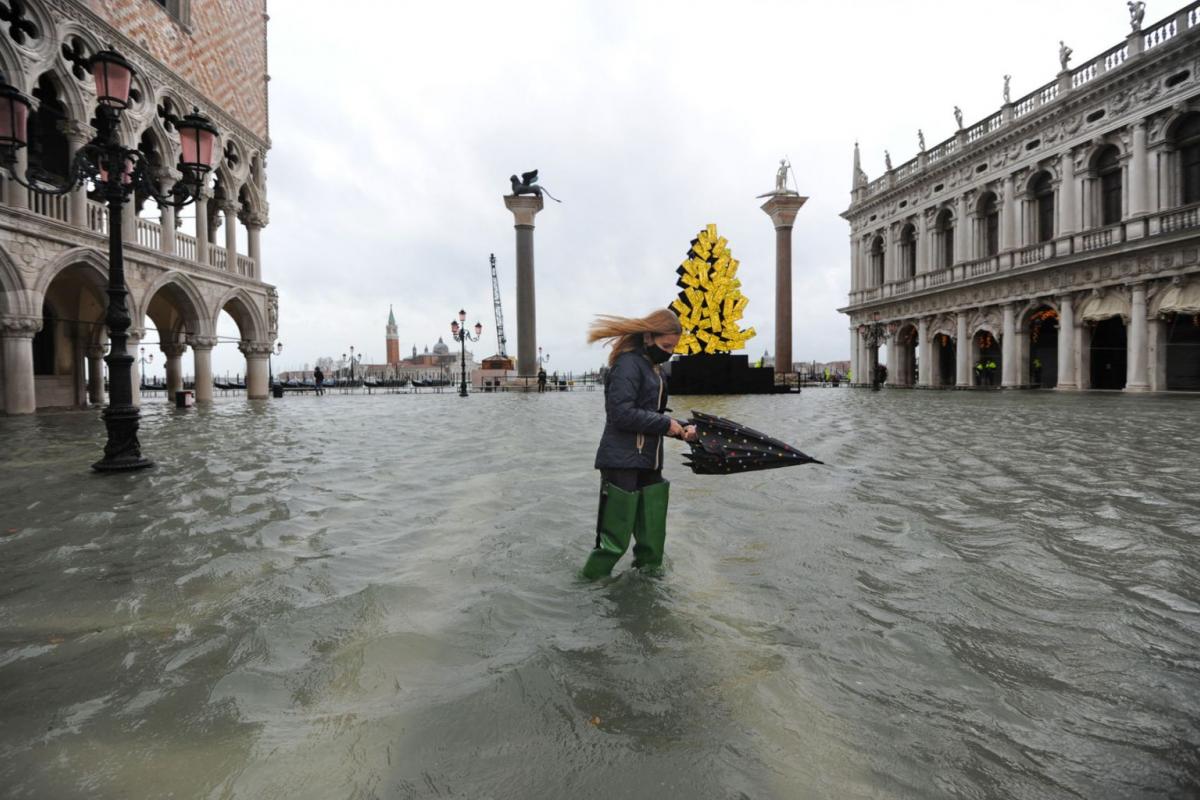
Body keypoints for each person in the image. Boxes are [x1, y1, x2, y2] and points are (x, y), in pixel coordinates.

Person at [581, 308, 696, 579]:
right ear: (648, 337)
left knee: (652, 542)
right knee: (612, 544)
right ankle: (590, 593)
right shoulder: (627, 364)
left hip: (648, 461)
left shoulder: (653, 369)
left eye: (673, 348)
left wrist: (680, 428)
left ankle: (648, 592)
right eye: (666, 346)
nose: (669, 352)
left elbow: (651, 415)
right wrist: (666, 425)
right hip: (620, 462)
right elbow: (620, 413)